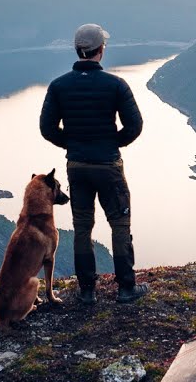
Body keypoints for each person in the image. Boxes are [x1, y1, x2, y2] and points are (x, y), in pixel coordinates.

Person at [39, 23, 149, 304]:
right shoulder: (115, 85)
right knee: (120, 224)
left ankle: (87, 291)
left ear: (78, 50)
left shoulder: (59, 85)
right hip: (108, 165)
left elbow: (47, 129)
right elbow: (134, 126)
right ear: (101, 50)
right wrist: (112, 143)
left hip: (77, 166)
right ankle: (126, 289)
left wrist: (73, 144)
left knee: (83, 226)